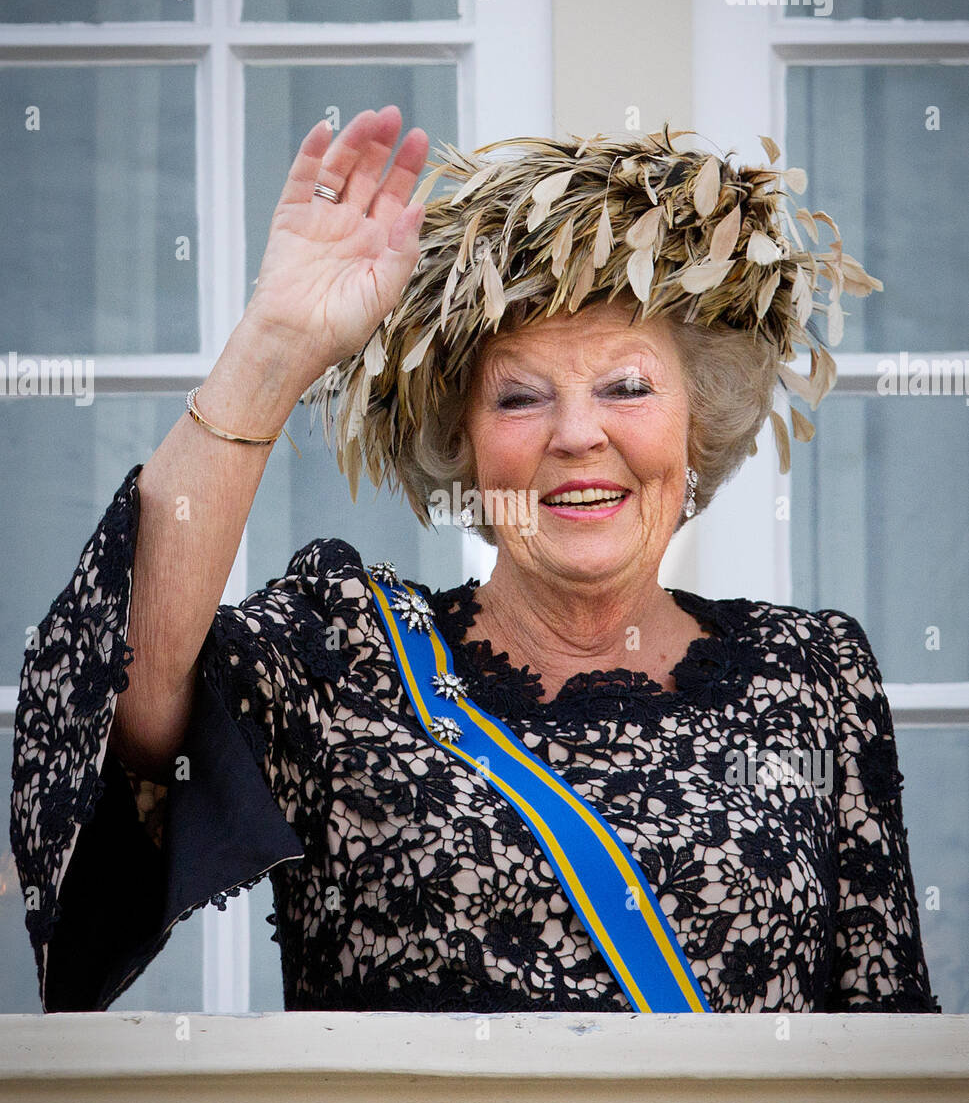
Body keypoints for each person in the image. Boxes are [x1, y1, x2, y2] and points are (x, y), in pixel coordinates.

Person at [10, 105, 940, 1015]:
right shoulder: (350, 656)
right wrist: (277, 344)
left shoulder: (811, 676)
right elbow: (126, 699)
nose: (577, 436)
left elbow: (881, 1055)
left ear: (697, 423)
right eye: (520, 398)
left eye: (626, 387)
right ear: (462, 443)